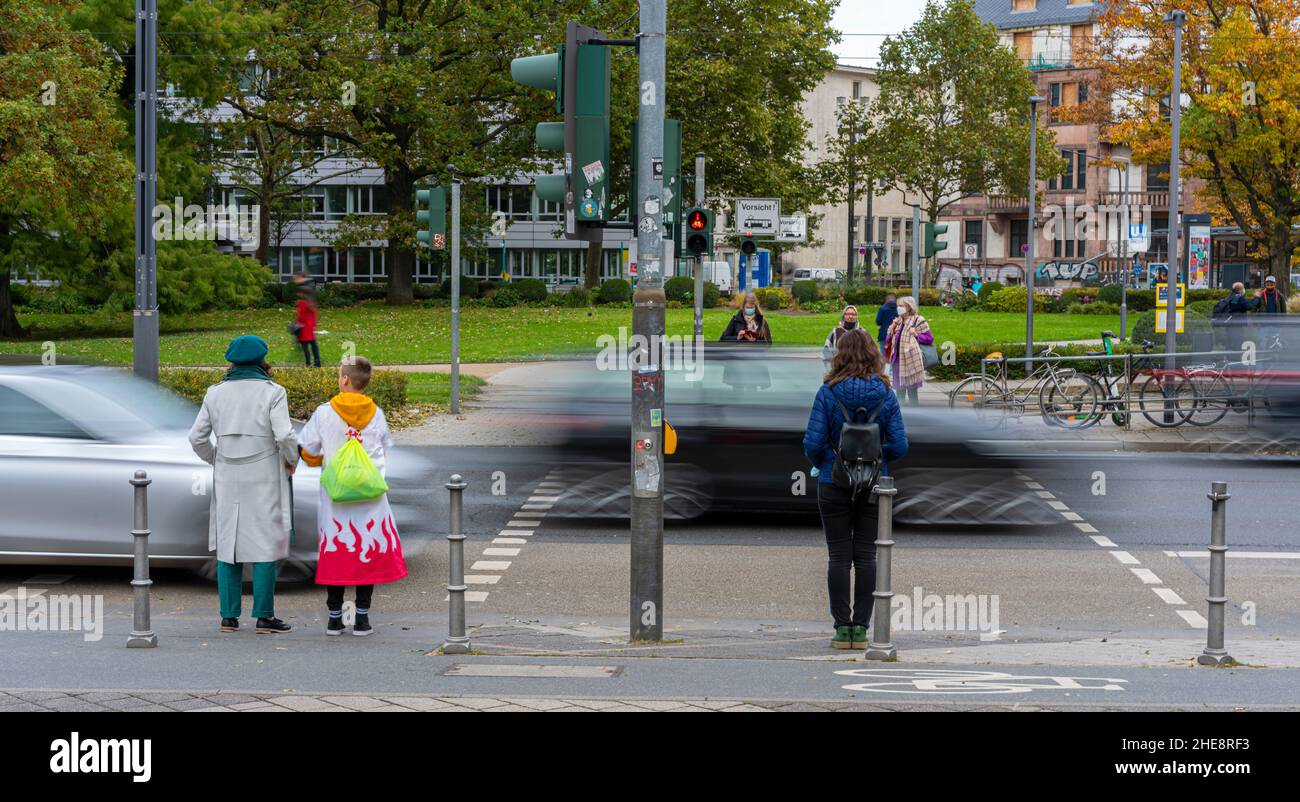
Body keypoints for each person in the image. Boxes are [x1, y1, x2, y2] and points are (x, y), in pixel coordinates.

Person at [803, 328, 908, 650]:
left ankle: (841, 629)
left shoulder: (828, 392)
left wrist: (831, 459)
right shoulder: (886, 394)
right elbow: (900, 445)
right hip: (874, 484)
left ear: (840, 354)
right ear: (873, 354)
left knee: (838, 557)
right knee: (865, 556)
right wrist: (876, 459)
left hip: (833, 482)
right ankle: (861, 629)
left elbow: (811, 442)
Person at [188, 335, 299, 634]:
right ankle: (264, 616)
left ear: (232, 361)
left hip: (227, 474)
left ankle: (228, 617)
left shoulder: (215, 393)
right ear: (262, 360)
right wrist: (291, 460)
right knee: (264, 543)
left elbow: (196, 438)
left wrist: (216, 458)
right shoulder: (273, 392)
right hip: (264, 474)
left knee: (229, 544)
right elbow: (285, 436)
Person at [298, 357, 408, 636]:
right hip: (370, 494)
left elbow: (308, 449)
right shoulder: (377, 412)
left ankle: (335, 618)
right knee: (365, 550)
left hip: (336, 496)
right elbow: (385, 448)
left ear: (345, 380)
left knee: (337, 549)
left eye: (339, 375)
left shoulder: (325, 412)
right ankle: (362, 618)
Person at [884, 295, 933, 406]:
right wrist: (892, 329)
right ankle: (901, 416)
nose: (898, 308)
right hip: (897, 362)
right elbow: (889, 340)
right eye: (898, 306)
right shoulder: (898, 321)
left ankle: (915, 417)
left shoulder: (918, 320)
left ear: (909, 307)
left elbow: (929, 339)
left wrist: (916, 334)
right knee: (899, 393)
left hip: (911, 362)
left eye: (901, 306)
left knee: (912, 394)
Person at [1213, 282, 1251, 352]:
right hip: (1235, 325)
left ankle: (1229, 359)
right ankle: (1234, 360)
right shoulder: (1237, 297)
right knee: (1236, 344)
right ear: (1240, 290)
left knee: (1229, 343)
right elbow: (1248, 306)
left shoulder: (1230, 296)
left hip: (1229, 324)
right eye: (1243, 288)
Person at [821, 305, 861, 371]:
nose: (850, 316)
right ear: (843, 316)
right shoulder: (835, 332)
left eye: (853, 314)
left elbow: (870, 353)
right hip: (839, 372)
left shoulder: (862, 332)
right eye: (848, 314)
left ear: (857, 316)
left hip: (858, 372)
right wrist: (831, 369)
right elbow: (826, 351)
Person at [295, 282, 321, 368]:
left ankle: (308, 363)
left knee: (305, 347)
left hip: (303, 327)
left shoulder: (301, 303)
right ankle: (317, 362)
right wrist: (314, 324)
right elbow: (315, 314)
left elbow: (300, 316)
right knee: (314, 345)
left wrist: (296, 324)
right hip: (310, 327)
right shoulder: (312, 303)